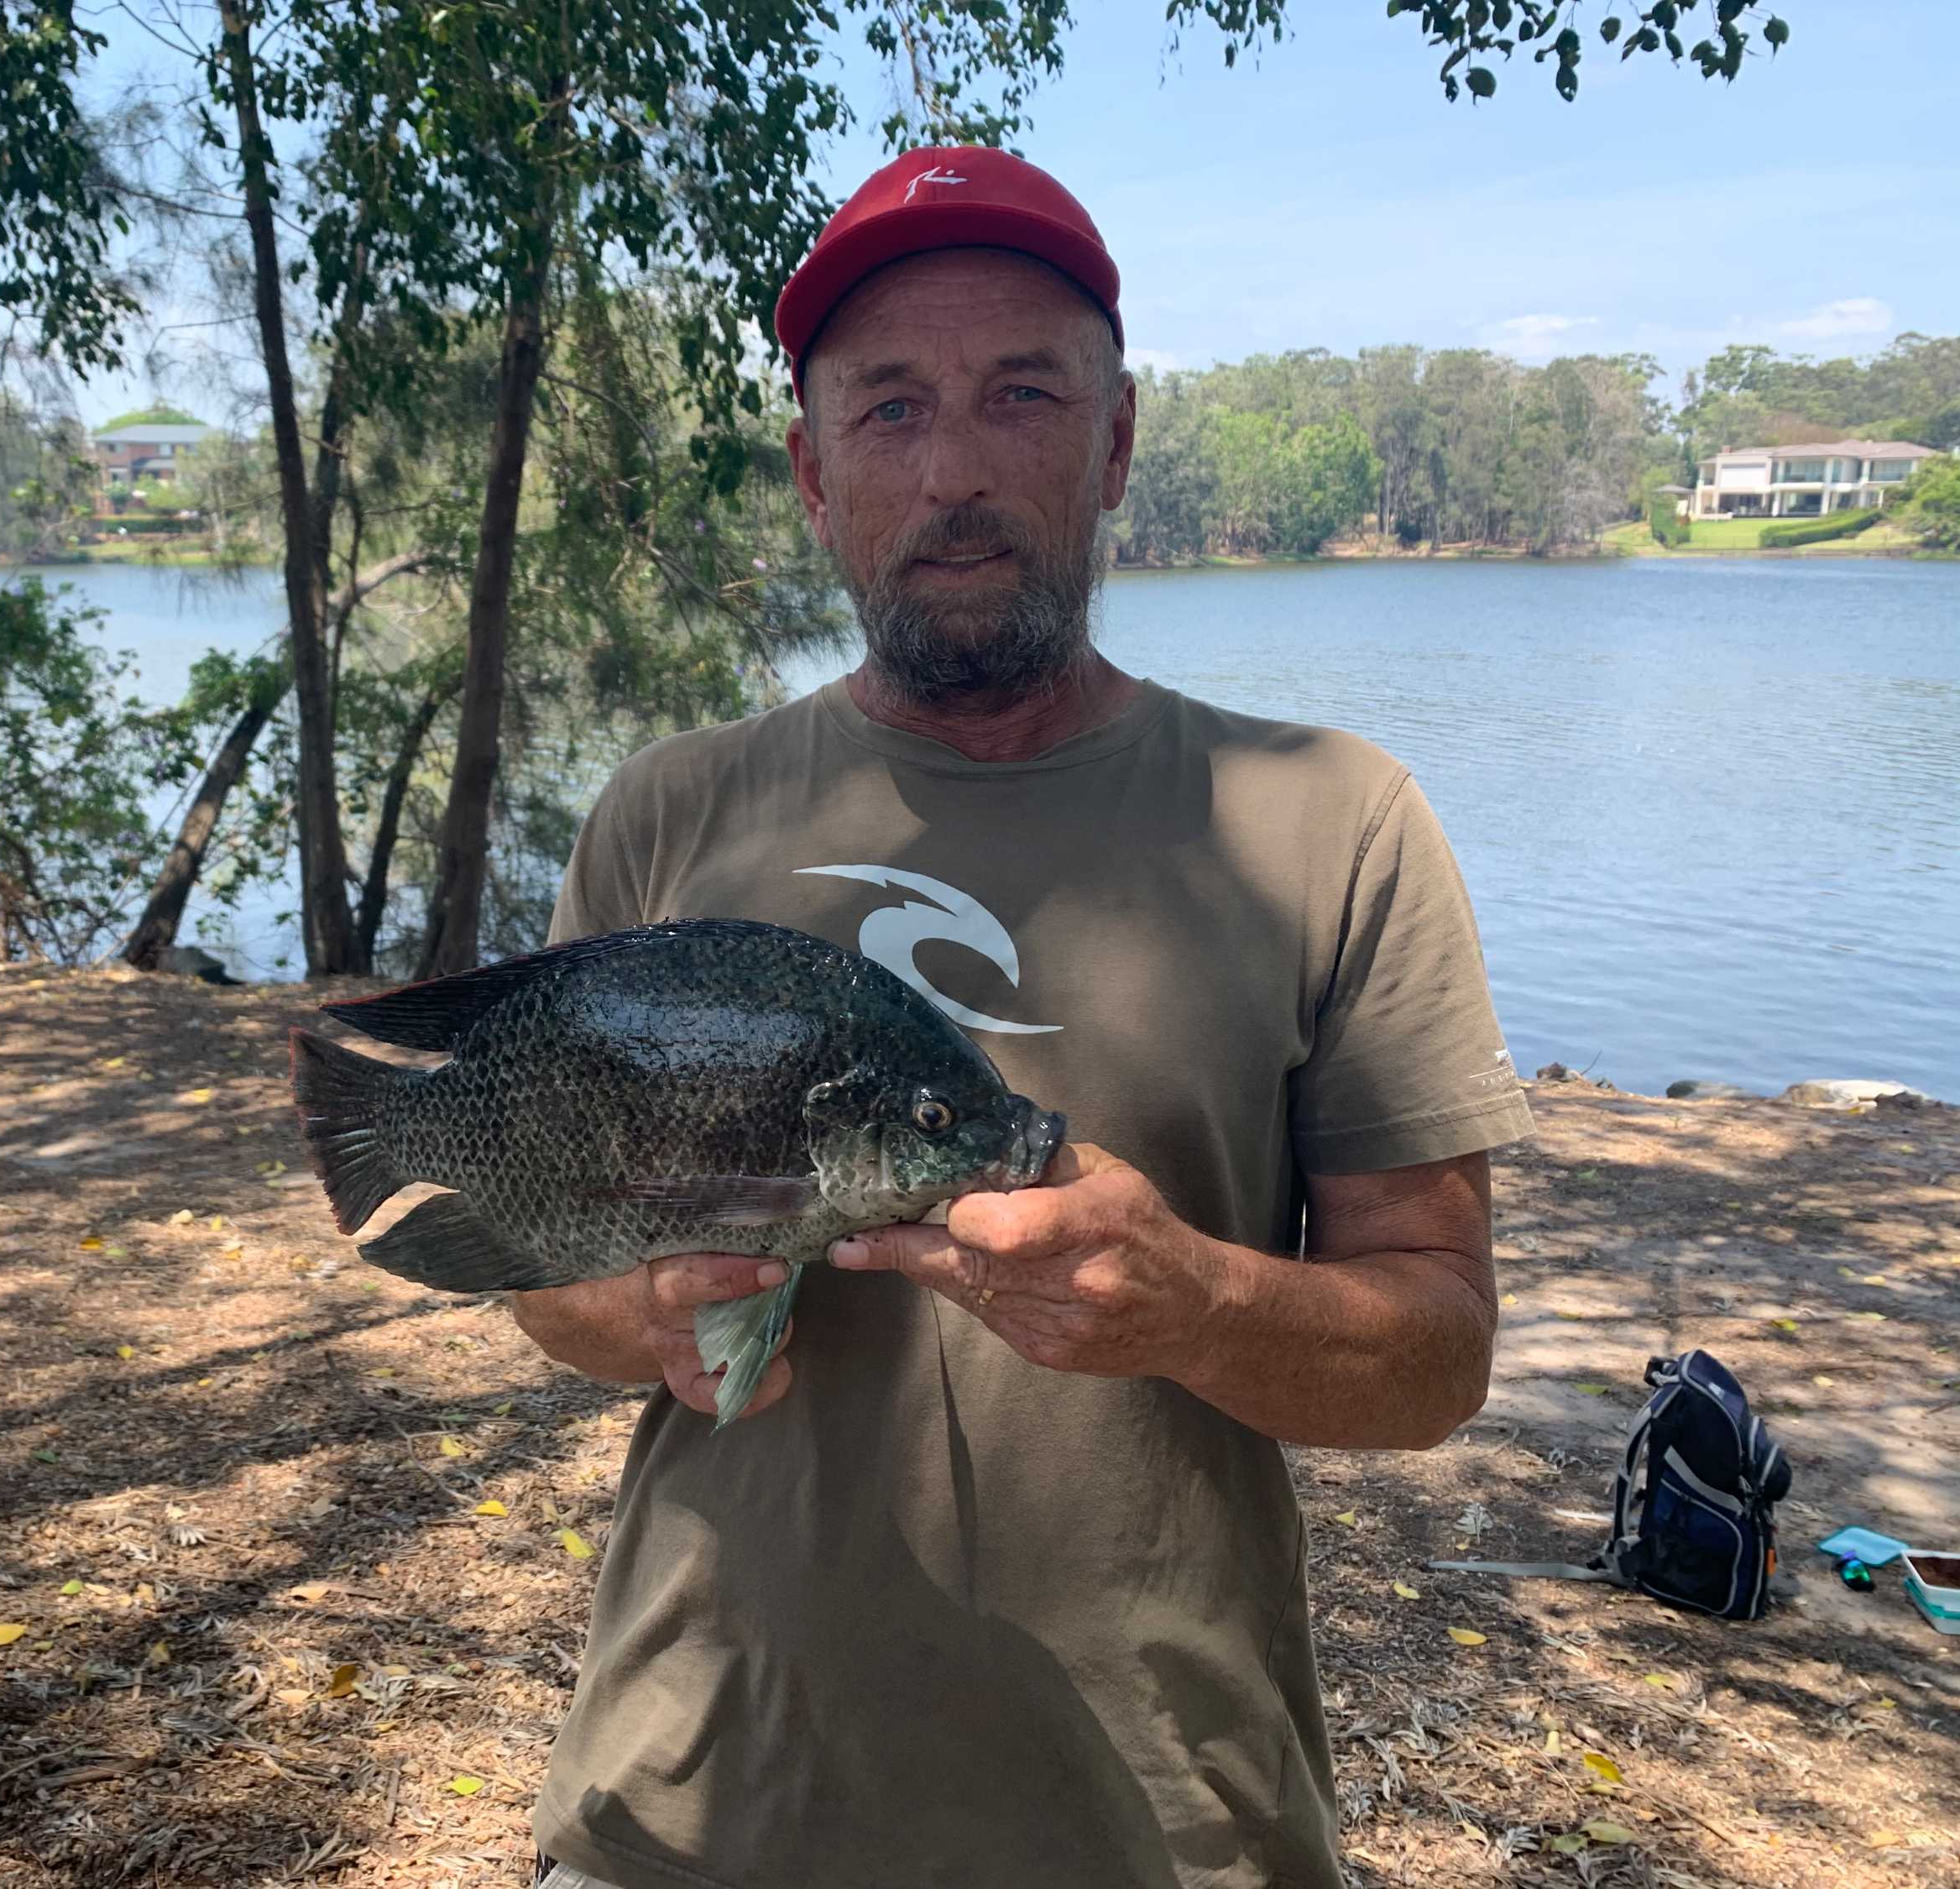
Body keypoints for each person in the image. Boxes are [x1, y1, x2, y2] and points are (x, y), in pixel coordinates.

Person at [510, 145, 1534, 1889]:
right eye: (891, 408)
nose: (957, 471)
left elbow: (1436, 1354)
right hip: (689, 1814)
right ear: (813, 473)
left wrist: (1199, 1299)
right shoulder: (669, 816)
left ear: (1117, 442)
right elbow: (551, 1283)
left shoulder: (1330, 821)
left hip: (1166, 1831)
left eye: (1023, 395)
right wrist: (650, 1310)